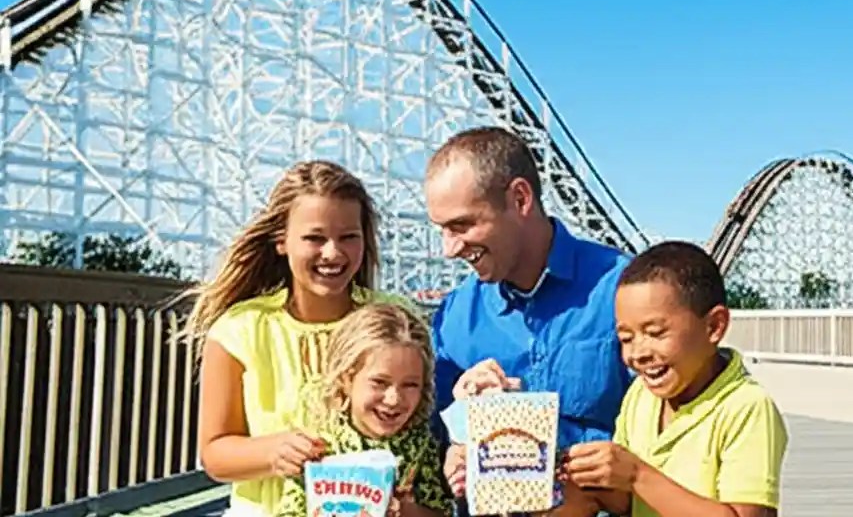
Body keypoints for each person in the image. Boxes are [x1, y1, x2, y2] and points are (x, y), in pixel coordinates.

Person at [186, 160, 440, 515]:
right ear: (281, 242)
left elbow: (426, 426)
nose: (333, 252)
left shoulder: (399, 320)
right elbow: (214, 453)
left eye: (349, 237)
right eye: (314, 238)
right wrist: (274, 451)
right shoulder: (241, 328)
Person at [424, 127, 633, 501]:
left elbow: (676, 434)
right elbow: (429, 440)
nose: (449, 249)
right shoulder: (454, 317)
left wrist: (534, 433)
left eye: (461, 225)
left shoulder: (624, 290)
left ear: (520, 198)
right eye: (442, 229)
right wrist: (457, 435)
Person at [556, 241, 789, 517]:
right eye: (626, 339)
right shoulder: (641, 395)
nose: (638, 353)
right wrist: (588, 486)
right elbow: (632, 504)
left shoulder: (746, 408)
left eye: (655, 333)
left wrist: (634, 474)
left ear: (714, 326)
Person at [277, 302, 451, 517]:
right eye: (379, 382)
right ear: (346, 379)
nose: (393, 399)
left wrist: (403, 510)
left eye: (410, 385)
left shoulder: (423, 444)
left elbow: (441, 511)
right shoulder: (318, 447)